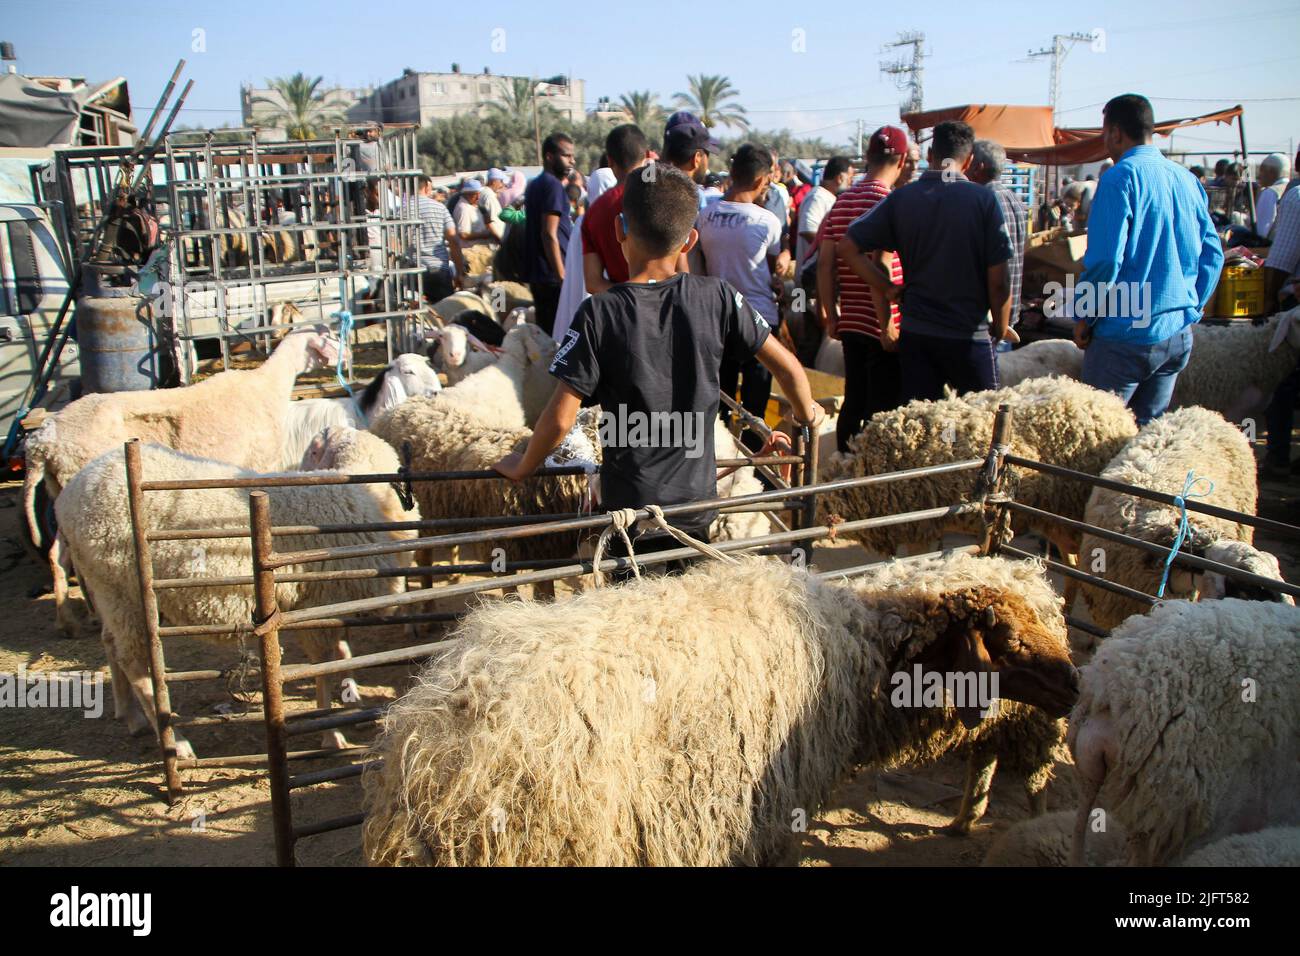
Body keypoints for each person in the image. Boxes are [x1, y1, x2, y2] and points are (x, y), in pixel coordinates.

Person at [492, 162, 822, 576]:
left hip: (630, 516)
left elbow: (560, 418)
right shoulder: (718, 296)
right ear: (690, 242)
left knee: (636, 624)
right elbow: (789, 369)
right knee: (680, 619)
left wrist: (523, 466)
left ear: (620, 230)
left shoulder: (598, 312)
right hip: (696, 511)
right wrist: (807, 417)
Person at [1070, 94, 1223, 426]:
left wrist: (1085, 315)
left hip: (1125, 336)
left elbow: (1106, 262)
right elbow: (1213, 252)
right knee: (1144, 439)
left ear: (1115, 133)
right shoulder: (1187, 179)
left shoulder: (1119, 177)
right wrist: (1192, 306)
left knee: (1098, 436)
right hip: (1176, 333)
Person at [838, 120, 1013, 402]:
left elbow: (847, 247)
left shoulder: (902, 199)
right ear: (968, 160)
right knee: (980, 428)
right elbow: (999, 281)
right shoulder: (984, 201)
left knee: (923, 429)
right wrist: (1000, 325)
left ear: (930, 154)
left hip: (918, 338)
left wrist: (888, 288)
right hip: (969, 338)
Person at [819, 127, 907, 451]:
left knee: (854, 399)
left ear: (868, 157)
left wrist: (831, 314)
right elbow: (878, 264)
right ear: (903, 159)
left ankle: (842, 468)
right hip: (883, 326)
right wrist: (888, 324)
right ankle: (868, 480)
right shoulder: (889, 201)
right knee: (880, 409)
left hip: (851, 322)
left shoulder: (842, 202)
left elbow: (826, 264)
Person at [696, 144, 785, 447]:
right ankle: (753, 471)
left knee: (718, 403)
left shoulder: (704, 216)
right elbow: (774, 275)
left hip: (717, 322)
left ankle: (718, 464)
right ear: (762, 181)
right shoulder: (767, 222)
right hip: (759, 323)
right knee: (755, 409)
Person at [581, 124, 650, 296]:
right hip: (664, 307)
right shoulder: (661, 198)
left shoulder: (594, 212)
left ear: (610, 161)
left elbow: (592, 282)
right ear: (647, 157)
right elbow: (681, 268)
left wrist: (630, 297)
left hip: (620, 313)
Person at [968, 139, 1028, 335]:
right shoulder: (1014, 200)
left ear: (978, 167)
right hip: (1008, 313)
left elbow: (996, 275)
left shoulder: (983, 202)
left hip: (992, 318)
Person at [1262, 184, 1300, 475]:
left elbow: (1281, 259)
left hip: (1294, 307)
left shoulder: (1297, 196)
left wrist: (1268, 302)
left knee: (1282, 383)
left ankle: (1276, 458)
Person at [524, 133, 576, 334]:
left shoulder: (536, 184)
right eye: (566, 155)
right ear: (549, 156)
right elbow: (548, 233)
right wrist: (562, 274)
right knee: (559, 336)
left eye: (572, 156)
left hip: (541, 274)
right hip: (552, 276)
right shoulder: (553, 185)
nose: (572, 160)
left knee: (547, 334)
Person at [406, 175, 465, 303]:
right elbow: (453, 240)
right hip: (438, 272)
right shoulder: (439, 208)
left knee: (415, 317)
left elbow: (395, 243)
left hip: (413, 272)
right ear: (427, 186)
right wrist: (460, 272)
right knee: (443, 315)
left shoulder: (401, 211)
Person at [797, 155, 853, 271]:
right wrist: (833, 251)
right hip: (812, 276)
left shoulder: (826, 196)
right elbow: (808, 231)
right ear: (840, 178)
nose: (851, 183)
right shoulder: (818, 197)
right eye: (850, 178)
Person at [453, 179, 497, 275]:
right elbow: (463, 234)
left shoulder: (472, 206)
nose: (478, 197)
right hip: (470, 255)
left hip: (477, 254)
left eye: (478, 194)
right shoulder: (463, 209)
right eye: (475, 194)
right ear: (467, 194)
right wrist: (484, 235)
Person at [1256, 153, 1291, 237]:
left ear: (1271, 172)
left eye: (1261, 170)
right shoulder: (1294, 189)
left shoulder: (1270, 193)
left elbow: (1262, 231)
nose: (1258, 176)